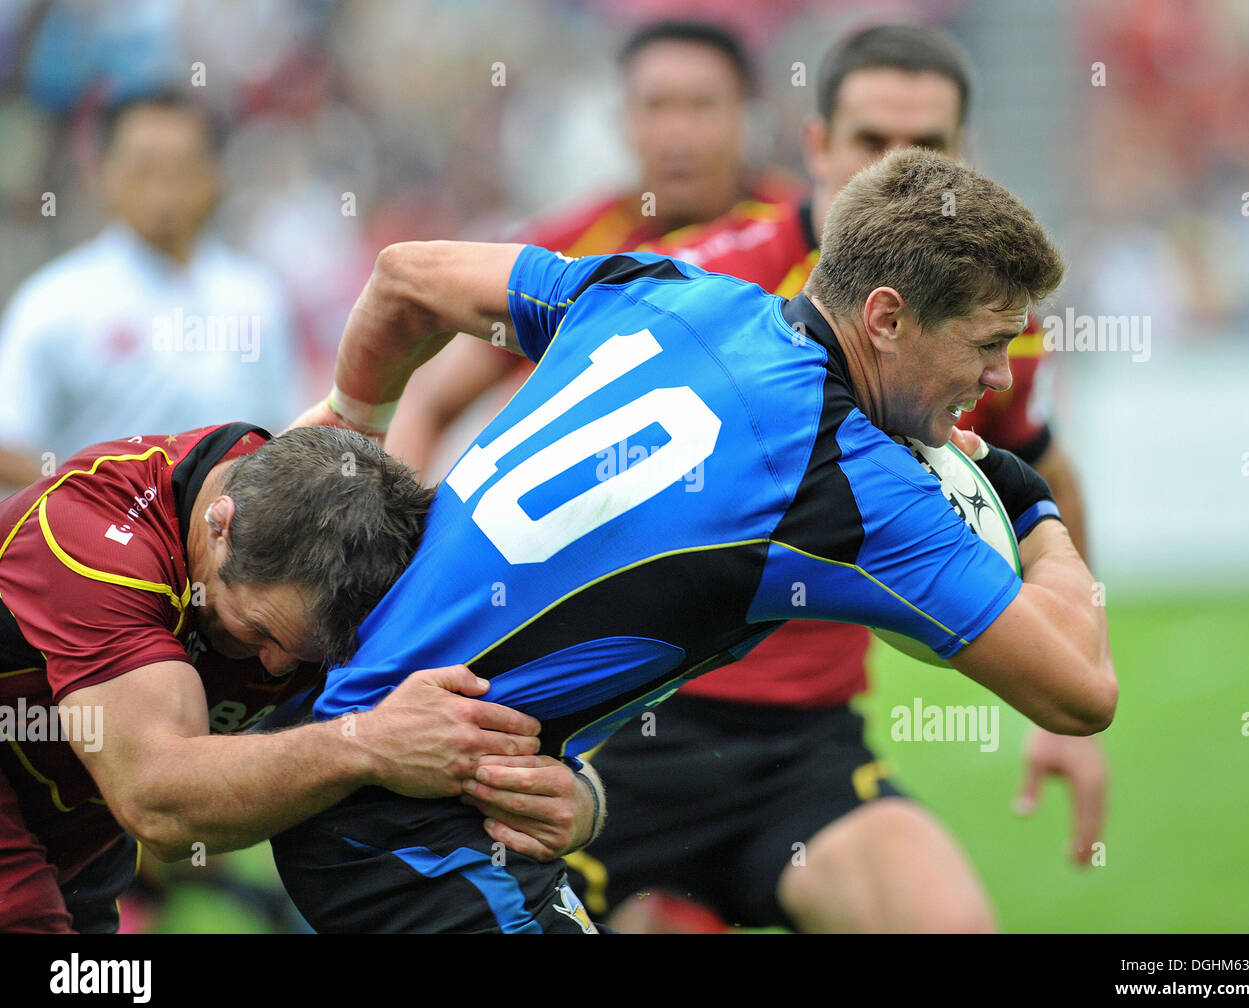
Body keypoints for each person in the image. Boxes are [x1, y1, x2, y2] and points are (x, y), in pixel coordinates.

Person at [276, 147, 1117, 934]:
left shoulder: (669, 286)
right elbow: (1081, 692)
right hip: (418, 829)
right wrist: (1028, 502)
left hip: (334, 733)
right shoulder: (857, 487)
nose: (1000, 377)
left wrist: (352, 422)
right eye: (987, 343)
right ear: (887, 317)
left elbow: (404, 277)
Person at [561, 22, 1105, 933]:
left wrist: (1066, 676)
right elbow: (465, 373)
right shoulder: (710, 278)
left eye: (926, 147)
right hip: (625, 729)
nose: (898, 171)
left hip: (802, 750)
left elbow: (1040, 471)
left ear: (964, 156)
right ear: (817, 145)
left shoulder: (982, 322)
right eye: (868, 142)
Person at [0, 423, 597, 933]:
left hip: (79, 828)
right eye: (257, 632)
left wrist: (579, 796)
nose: (276, 672)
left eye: (309, 655)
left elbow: (494, 710)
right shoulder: (89, 545)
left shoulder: (357, 540)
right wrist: (365, 743)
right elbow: (161, 806)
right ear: (220, 525)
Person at [386, 19, 799, 477]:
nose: (678, 133)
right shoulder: (573, 244)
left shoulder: (802, 232)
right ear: (622, 121)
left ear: (748, 119)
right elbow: (428, 402)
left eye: (702, 106)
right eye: (656, 106)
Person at [0, 92, 301, 491]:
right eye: (144, 168)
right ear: (101, 174)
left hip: (230, 540)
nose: (163, 188)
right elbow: (8, 442)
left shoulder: (255, 296)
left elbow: (283, 430)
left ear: (214, 175)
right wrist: (98, 504)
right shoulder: (54, 303)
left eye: (181, 168)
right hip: (98, 548)